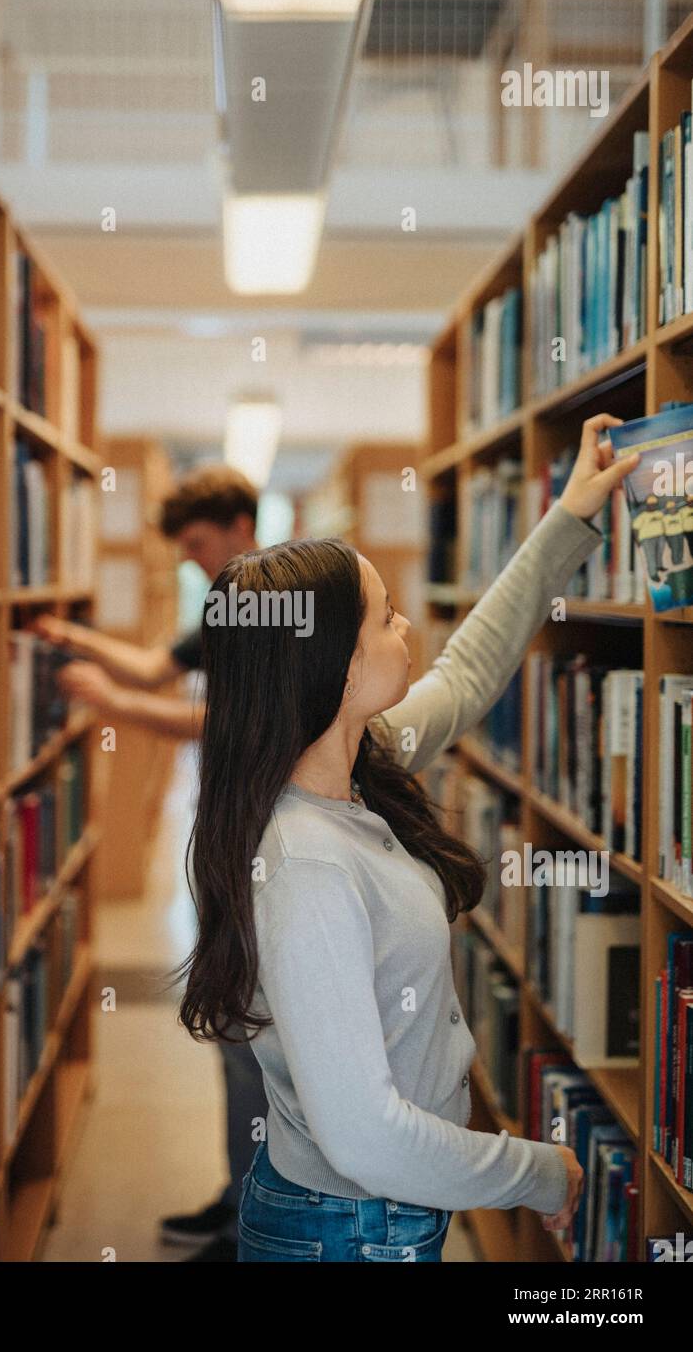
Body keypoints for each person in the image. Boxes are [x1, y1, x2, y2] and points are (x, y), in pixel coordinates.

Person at [176, 415, 640, 1262]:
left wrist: (570, 516)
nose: (408, 634)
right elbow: (366, 1140)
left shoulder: (355, 757)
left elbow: (467, 674)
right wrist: (538, 1172)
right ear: (338, 671)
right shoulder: (308, 865)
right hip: (350, 1228)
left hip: (366, 1218)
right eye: (387, 621)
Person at [33, 463, 271, 1261]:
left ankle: (253, 1223)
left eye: (202, 545)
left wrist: (107, 701)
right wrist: (75, 639)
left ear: (241, 524)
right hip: (237, 842)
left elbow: (212, 722)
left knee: (253, 1035)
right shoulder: (231, 598)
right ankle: (240, 1195)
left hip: (270, 848)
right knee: (236, 1032)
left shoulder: (275, 603)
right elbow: (152, 666)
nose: (197, 561)